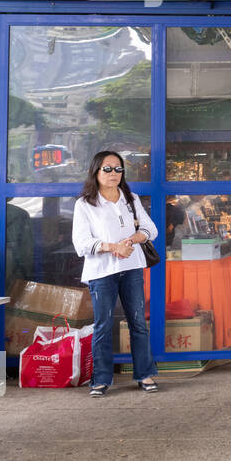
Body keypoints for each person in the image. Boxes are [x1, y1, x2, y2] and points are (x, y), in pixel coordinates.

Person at [70, 151, 158, 397]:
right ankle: (101, 379)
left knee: (138, 323)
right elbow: (81, 243)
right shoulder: (85, 204)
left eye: (118, 169)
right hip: (102, 272)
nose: (113, 174)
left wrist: (135, 238)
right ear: (96, 171)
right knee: (103, 325)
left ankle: (145, 374)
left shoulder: (130, 198)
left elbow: (151, 229)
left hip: (131, 269)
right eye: (107, 169)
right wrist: (112, 247)